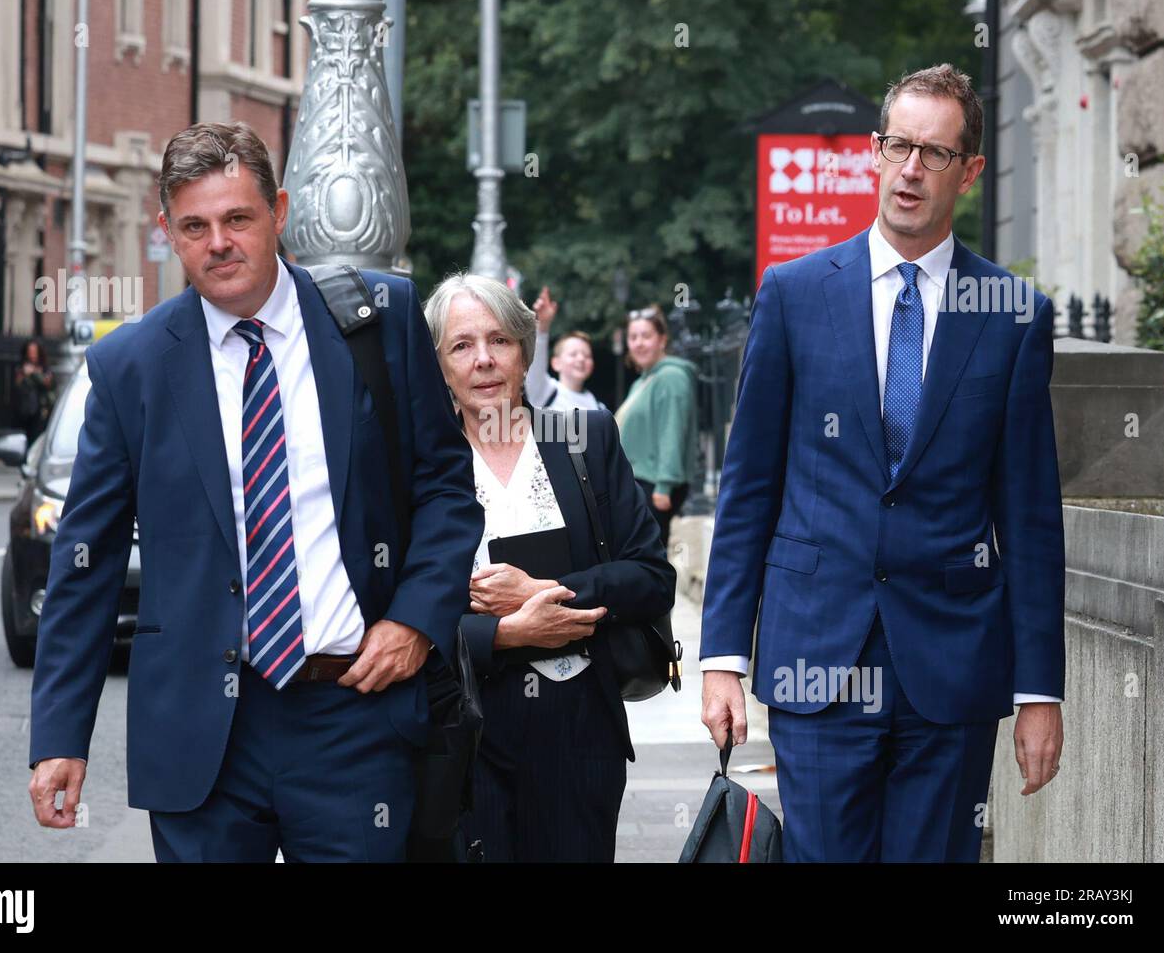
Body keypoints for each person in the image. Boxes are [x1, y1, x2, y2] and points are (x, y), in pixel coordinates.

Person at [26, 121, 483, 862]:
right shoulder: (129, 369)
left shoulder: (379, 322)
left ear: (279, 210)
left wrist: (416, 620)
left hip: (353, 717)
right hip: (197, 736)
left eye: (238, 218)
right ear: (168, 230)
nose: (219, 243)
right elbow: (87, 564)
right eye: (195, 225)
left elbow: (445, 488)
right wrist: (58, 737)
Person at [700, 65, 1065, 862]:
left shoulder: (1012, 315)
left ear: (969, 172)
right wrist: (723, 656)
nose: (910, 169)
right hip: (815, 657)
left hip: (953, 668)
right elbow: (749, 486)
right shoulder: (794, 294)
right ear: (873, 150)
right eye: (898, 145)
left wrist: (1039, 689)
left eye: (934, 154)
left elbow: (1031, 517)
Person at [422, 272, 675, 862]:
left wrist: (551, 591)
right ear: (438, 365)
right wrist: (504, 633)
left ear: (525, 350)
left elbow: (651, 577)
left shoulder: (584, 437)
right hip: (468, 730)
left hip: (580, 730)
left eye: (500, 341)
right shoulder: (424, 466)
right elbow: (400, 613)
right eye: (461, 346)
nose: (483, 360)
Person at [615, 304, 698, 548]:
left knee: (651, 563)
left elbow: (671, 432)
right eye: (633, 337)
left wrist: (665, 486)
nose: (639, 343)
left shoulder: (671, 377)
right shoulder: (644, 380)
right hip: (640, 485)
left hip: (655, 489)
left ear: (662, 340)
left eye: (646, 336)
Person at [523, 285, 606, 412]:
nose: (581, 359)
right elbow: (535, 362)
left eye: (587, 355)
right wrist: (543, 326)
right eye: (573, 354)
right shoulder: (545, 392)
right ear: (556, 363)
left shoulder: (598, 407)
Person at [12, 338, 56, 443]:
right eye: (30, 352)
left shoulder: (44, 369)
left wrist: (34, 372)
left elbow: (49, 383)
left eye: (34, 352)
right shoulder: (21, 369)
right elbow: (18, 385)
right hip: (26, 410)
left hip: (41, 410)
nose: (32, 355)